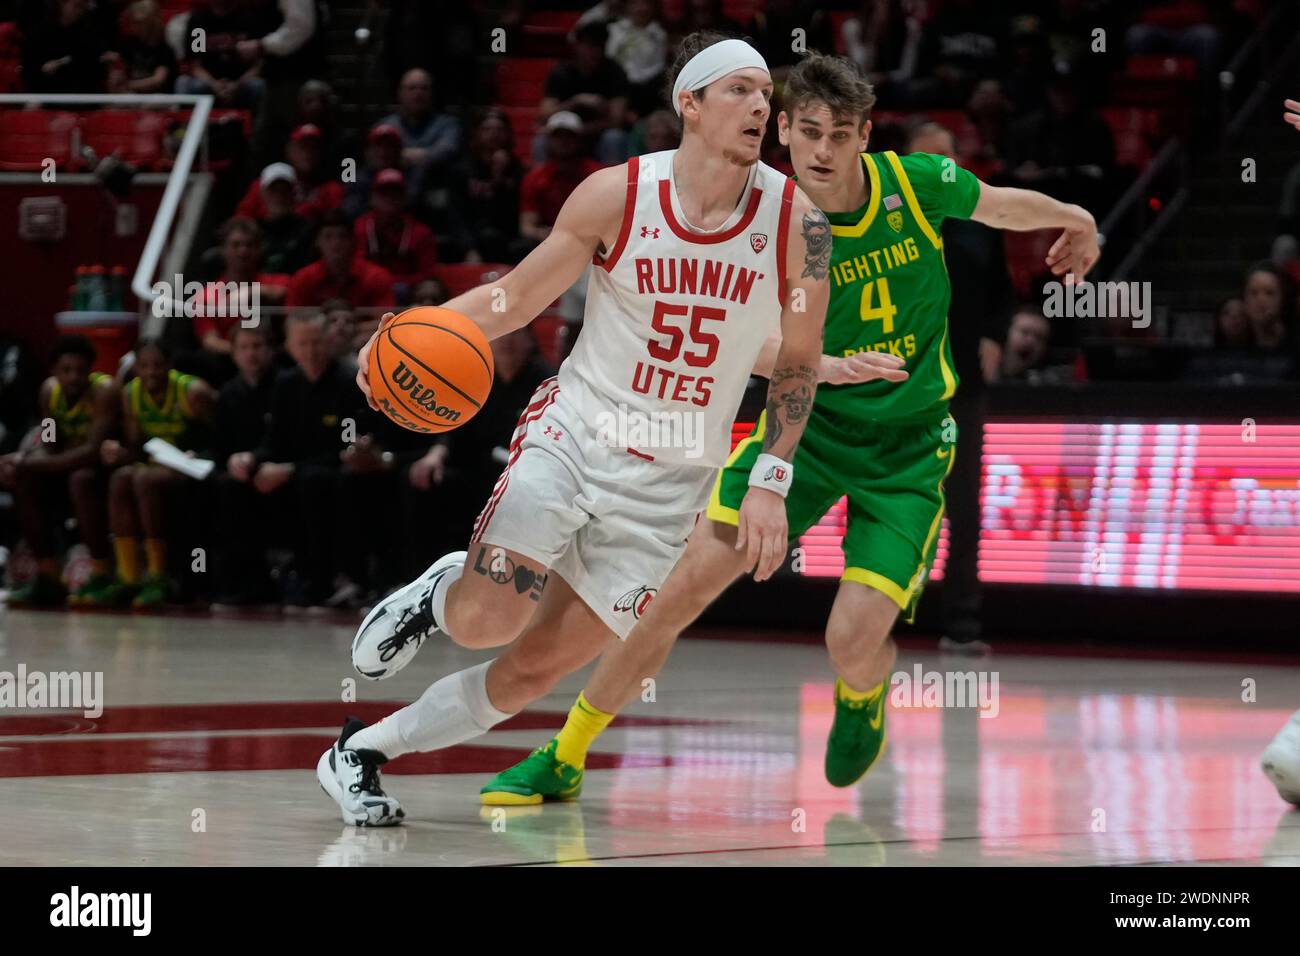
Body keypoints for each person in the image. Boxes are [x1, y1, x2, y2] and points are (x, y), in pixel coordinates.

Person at [476, 51, 1101, 805]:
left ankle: (864, 693)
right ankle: (566, 753)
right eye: (810, 133)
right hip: (805, 430)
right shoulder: (765, 217)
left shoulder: (917, 184)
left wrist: (1077, 217)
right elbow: (756, 348)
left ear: (867, 135)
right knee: (673, 593)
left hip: (906, 450)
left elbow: (1000, 205)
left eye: (842, 134)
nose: (825, 151)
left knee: (850, 640)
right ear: (783, 131)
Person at [317, 33, 833, 827]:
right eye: (738, 89)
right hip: (579, 434)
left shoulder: (800, 226)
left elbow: (794, 364)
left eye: (767, 92)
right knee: (488, 620)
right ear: (688, 105)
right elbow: (512, 300)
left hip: (674, 482)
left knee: (531, 672)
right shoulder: (616, 196)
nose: (762, 105)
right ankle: (439, 594)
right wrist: (394, 340)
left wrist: (770, 477)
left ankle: (359, 752)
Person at [907, 121, 1011, 653]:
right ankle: (883, 616)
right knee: (894, 503)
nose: (935, 172)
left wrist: (995, 337)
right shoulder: (887, 223)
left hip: (963, 387)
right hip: (899, 391)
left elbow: (1001, 296)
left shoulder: (978, 222)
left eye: (943, 161)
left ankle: (962, 621)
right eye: (923, 161)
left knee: (963, 507)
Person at [85, 340, 216, 609]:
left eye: (157, 365)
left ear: (170, 366)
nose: (151, 372)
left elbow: (221, 437)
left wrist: (199, 453)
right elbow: (137, 448)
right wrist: (119, 452)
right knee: (121, 476)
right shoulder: (130, 393)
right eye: (144, 366)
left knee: (144, 479)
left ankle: (158, 575)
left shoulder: (193, 392)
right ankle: (128, 576)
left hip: (194, 467)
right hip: (158, 464)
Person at [1, 336, 120, 607]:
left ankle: (101, 574)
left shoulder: (105, 391)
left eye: (80, 371)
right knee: (25, 478)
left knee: (81, 479)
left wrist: (30, 461)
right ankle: (47, 575)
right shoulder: (49, 392)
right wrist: (21, 459)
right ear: (54, 371)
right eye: (66, 371)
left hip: (104, 470)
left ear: (91, 369)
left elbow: (91, 452)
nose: (74, 377)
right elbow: (50, 442)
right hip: (66, 465)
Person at [211, 323, 277, 605]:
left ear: (271, 350)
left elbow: (285, 438)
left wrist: (257, 457)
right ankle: (228, 581)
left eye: (257, 347)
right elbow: (219, 444)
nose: (251, 354)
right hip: (238, 473)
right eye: (244, 348)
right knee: (223, 486)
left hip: (273, 467)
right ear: (234, 353)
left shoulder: (283, 385)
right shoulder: (228, 392)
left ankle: (265, 582)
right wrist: (229, 459)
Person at [516, 112, 603, 254]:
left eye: (569, 136)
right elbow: (527, 226)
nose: (564, 141)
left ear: (579, 140)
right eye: (558, 136)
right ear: (548, 141)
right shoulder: (535, 178)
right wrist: (543, 234)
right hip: (549, 242)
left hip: (591, 241)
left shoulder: (598, 175)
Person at [286, 212, 396, 310]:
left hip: (365, 334)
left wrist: (344, 326)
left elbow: (386, 321)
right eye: (328, 236)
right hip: (318, 333)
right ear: (317, 242)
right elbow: (292, 322)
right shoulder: (303, 278)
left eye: (342, 236)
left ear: (353, 241)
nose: (336, 243)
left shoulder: (376, 277)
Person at [353, 169, 439, 292]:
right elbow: (355, 268)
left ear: (405, 198)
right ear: (372, 198)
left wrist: (392, 282)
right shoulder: (360, 228)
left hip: (408, 296)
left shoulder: (421, 233)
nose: (389, 198)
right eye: (384, 193)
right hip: (368, 291)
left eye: (395, 193)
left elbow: (427, 274)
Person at [106, 0, 177, 96]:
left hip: (158, 96)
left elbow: (157, 80)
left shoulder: (164, 49)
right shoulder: (128, 45)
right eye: (133, 22)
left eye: (138, 23)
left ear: (150, 24)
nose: (133, 27)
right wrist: (115, 73)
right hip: (132, 95)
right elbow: (121, 71)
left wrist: (129, 85)